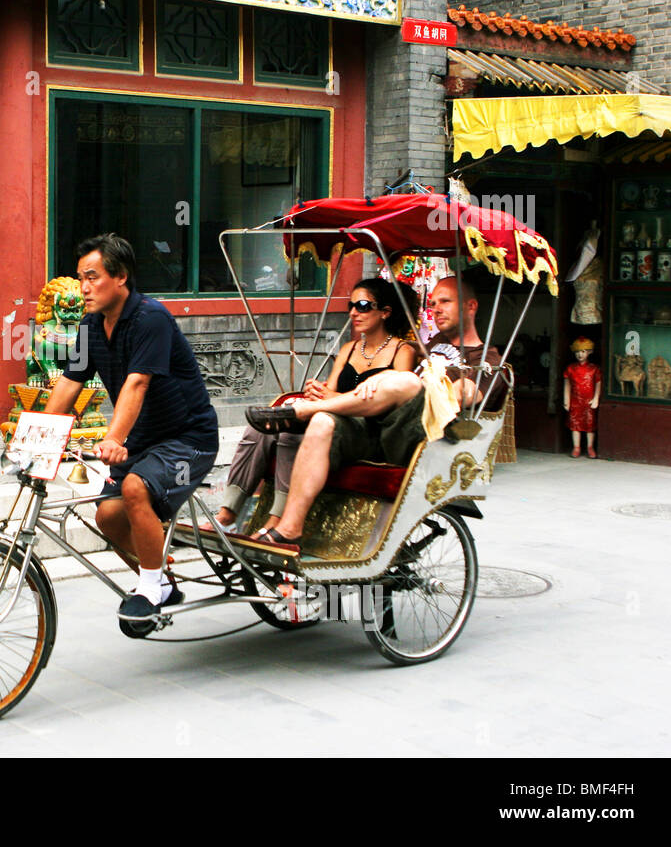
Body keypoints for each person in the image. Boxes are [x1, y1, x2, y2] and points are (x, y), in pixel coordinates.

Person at [245, 274, 503, 549]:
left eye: (446, 302)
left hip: (415, 437)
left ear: (470, 307)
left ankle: (305, 411)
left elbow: (465, 393)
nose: (436, 308)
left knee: (407, 381)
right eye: (434, 302)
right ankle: (290, 526)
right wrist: (380, 378)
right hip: (372, 430)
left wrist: (394, 380)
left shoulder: (487, 359)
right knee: (322, 422)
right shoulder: (427, 346)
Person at [44, 233, 220, 633]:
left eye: (93, 277)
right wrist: (37, 438)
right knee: (107, 515)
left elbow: (137, 383)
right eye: (80, 278)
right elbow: (70, 383)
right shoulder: (91, 325)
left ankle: (150, 586)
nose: (83, 288)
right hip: (144, 440)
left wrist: (114, 438)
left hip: (188, 439)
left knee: (136, 488)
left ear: (121, 276)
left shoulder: (151, 318)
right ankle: (163, 584)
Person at [206, 278, 418, 536]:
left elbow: (393, 401)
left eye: (362, 306)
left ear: (385, 312)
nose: (353, 312)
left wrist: (328, 397)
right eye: (351, 305)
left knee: (292, 430)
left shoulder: (402, 351)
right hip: (334, 417)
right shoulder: (349, 349)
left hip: (368, 430)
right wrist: (317, 392)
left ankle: (277, 517)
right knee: (263, 427)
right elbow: (332, 390)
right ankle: (227, 512)